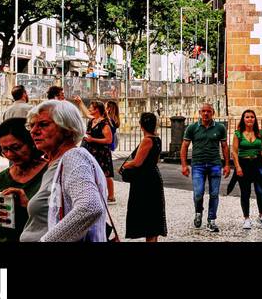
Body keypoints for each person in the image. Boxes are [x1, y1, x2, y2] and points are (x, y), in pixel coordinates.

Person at [20, 99, 111, 242]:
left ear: (68, 129)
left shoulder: (73, 157)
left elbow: (90, 207)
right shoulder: (55, 162)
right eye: (31, 125)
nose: (33, 131)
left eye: (43, 124)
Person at [0, 118, 48, 242]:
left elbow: (62, 224)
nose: (10, 155)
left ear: (32, 142)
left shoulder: (51, 174)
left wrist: (28, 204)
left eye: (16, 147)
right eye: (4, 150)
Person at [180, 103, 229, 233]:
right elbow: (184, 146)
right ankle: (198, 212)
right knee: (198, 193)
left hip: (215, 164)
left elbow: (224, 147)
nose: (206, 114)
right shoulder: (192, 128)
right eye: (203, 111)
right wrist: (184, 165)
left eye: (208, 111)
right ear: (199, 113)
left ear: (213, 113)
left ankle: (211, 220)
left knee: (214, 194)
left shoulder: (220, 128)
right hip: (198, 165)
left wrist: (227, 165)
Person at [121, 112, 166, 242]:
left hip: (145, 181)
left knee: (147, 217)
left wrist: (124, 166)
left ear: (141, 126)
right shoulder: (157, 139)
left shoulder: (147, 140)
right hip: (153, 177)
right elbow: (156, 160)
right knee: (153, 216)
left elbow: (137, 162)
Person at [230, 109, 262, 231]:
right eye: (247, 117)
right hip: (243, 164)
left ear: (255, 119)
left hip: (257, 164)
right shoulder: (238, 133)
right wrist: (238, 167)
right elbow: (234, 152)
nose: (250, 119)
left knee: (260, 191)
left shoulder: (260, 133)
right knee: (245, 193)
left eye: (252, 117)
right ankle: (246, 218)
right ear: (243, 119)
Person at [82, 100, 117, 203]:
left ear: (97, 110)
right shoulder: (91, 121)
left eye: (91, 108)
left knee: (106, 174)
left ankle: (111, 196)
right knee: (93, 173)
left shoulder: (104, 123)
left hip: (102, 152)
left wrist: (92, 139)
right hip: (92, 151)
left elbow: (109, 140)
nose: (89, 109)